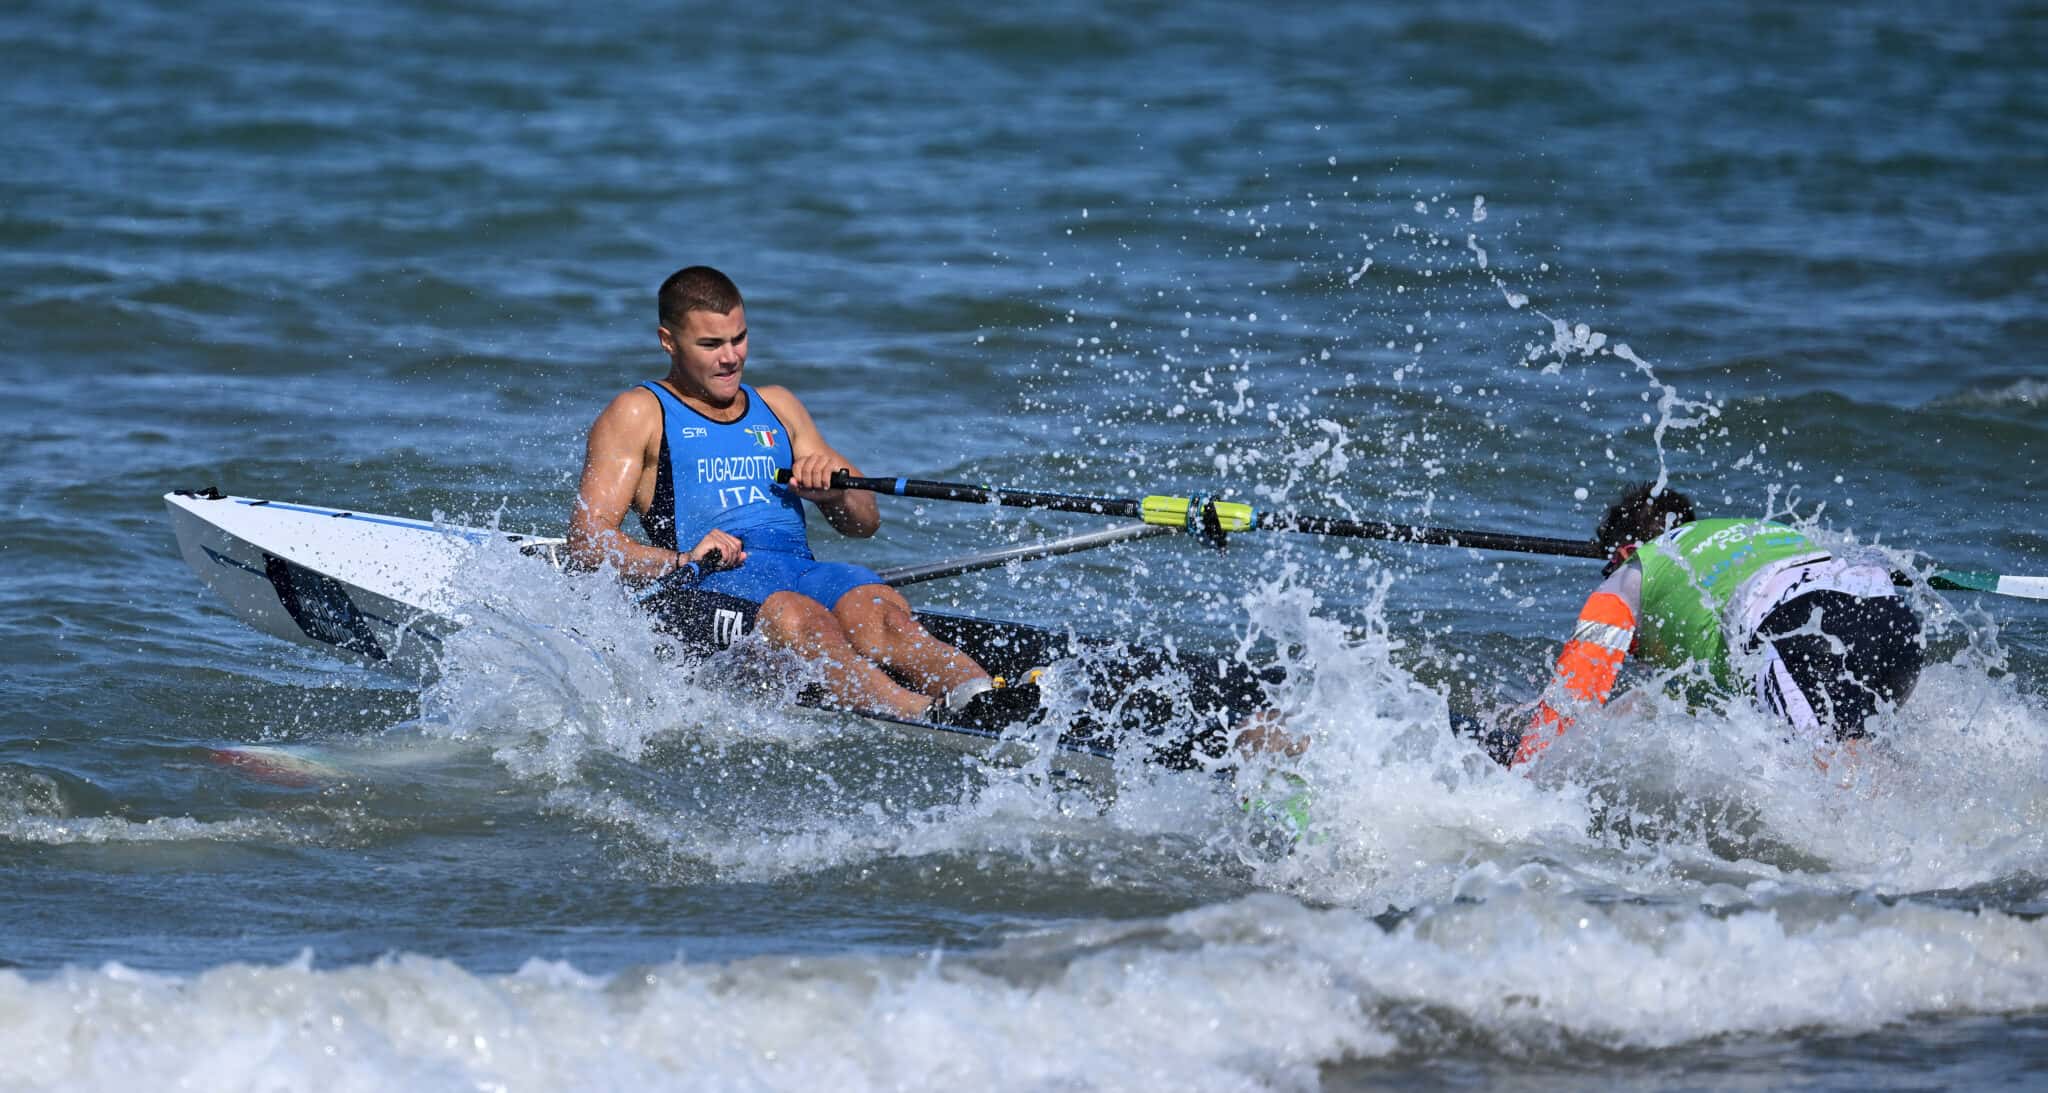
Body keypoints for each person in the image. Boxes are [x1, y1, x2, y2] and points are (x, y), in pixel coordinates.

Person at [565, 265, 1035, 728]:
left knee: (874, 607)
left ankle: (984, 698)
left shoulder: (778, 407)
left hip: (800, 571)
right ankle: (918, 713)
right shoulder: (638, 413)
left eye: (739, 338)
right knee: (799, 616)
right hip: (708, 587)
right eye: (710, 345)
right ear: (669, 341)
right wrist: (681, 557)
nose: (730, 357)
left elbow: (865, 523)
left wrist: (833, 495)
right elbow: (587, 543)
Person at [1506, 481, 1925, 766]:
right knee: (1860, 760)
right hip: (1893, 618)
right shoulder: (1761, 535)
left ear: (1624, 551)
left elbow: (1571, 695)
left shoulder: (1631, 573)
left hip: (1793, 627)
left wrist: (1518, 783)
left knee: (1838, 782)